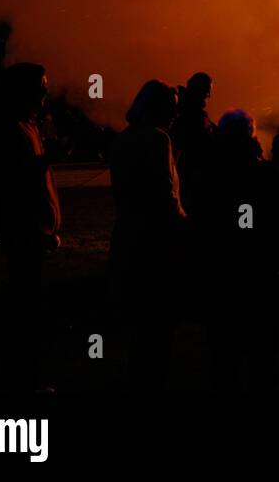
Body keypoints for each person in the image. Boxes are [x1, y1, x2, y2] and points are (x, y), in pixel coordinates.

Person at [196, 110, 279, 390]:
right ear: (251, 136)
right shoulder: (266, 173)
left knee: (223, 358)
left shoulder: (210, 174)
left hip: (223, 276)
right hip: (262, 274)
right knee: (263, 356)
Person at [107, 79, 188, 389]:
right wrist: (187, 226)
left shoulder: (124, 140)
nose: (175, 115)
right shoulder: (157, 140)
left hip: (128, 241)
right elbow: (167, 199)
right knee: (158, 331)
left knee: (139, 333)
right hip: (156, 247)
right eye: (171, 108)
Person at [0, 62, 61, 391]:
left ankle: (25, 374)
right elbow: (15, 180)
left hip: (35, 233)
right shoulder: (12, 128)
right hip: (24, 233)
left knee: (30, 306)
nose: (45, 93)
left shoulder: (28, 127)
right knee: (26, 308)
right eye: (40, 86)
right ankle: (24, 378)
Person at [170, 72, 214, 215]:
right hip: (191, 175)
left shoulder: (185, 110)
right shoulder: (190, 115)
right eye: (207, 92)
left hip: (188, 174)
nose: (208, 96)